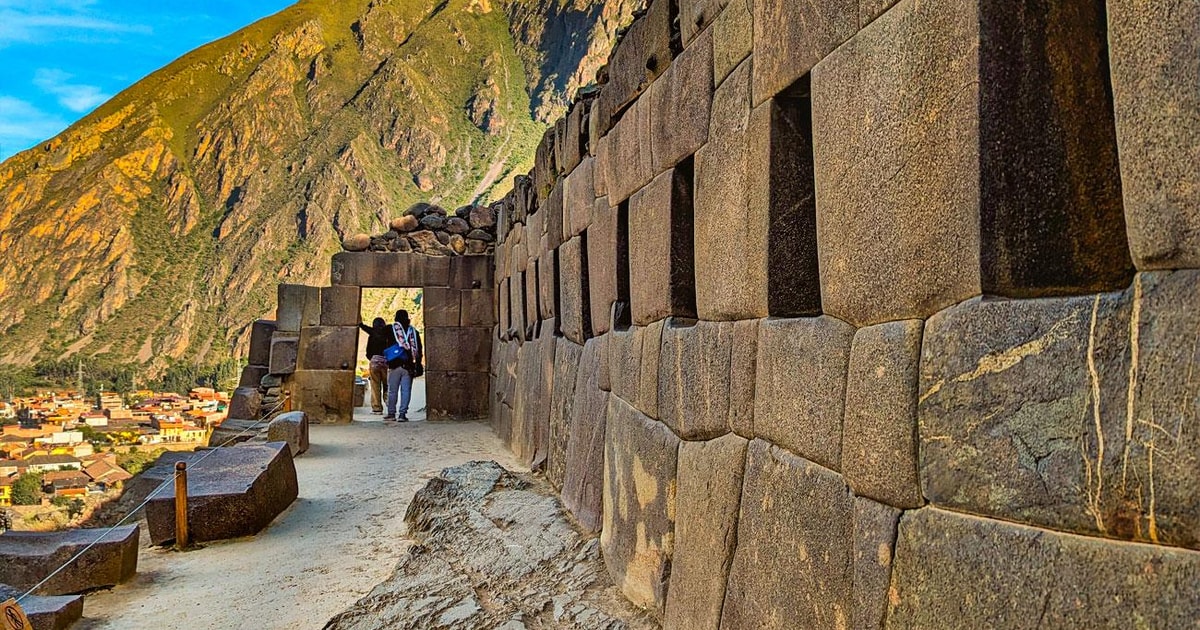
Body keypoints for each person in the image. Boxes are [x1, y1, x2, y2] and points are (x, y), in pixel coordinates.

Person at [385, 309, 423, 422]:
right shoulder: (414, 332)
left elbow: (376, 335)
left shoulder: (390, 330)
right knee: (406, 391)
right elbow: (419, 350)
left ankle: (391, 413)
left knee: (392, 391)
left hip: (394, 364)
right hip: (408, 365)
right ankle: (402, 414)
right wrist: (418, 364)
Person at [359, 317, 392, 414]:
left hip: (374, 362)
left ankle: (377, 408)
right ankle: (389, 402)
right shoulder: (388, 335)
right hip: (386, 363)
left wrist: (372, 358)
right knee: (387, 384)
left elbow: (363, 327)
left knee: (375, 385)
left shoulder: (372, 333)